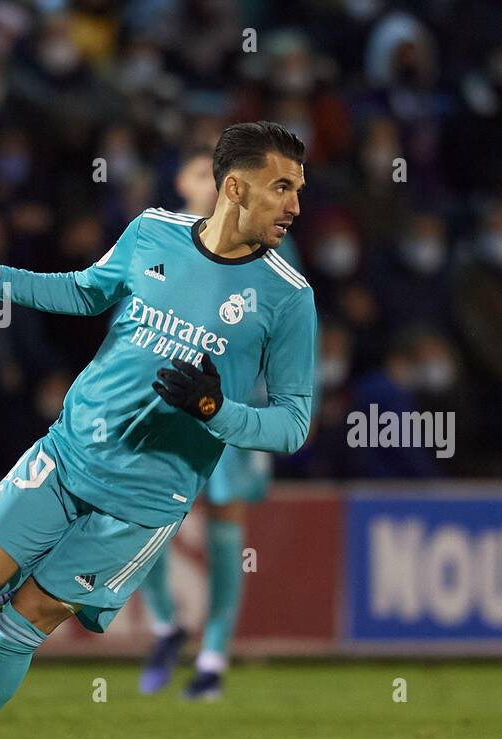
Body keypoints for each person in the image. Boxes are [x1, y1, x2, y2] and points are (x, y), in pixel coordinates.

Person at [0, 122, 317, 739]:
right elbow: (84, 291)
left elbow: (295, 422)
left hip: (143, 500)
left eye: (299, 190)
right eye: (283, 187)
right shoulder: (153, 232)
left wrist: (220, 412)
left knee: (24, 626)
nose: (296, 206)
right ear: (235, 187)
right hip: (69, 452)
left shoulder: (288, 295)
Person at [137, 145, 303, 700]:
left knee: (225, 532)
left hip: (234, 413)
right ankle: (165, 625)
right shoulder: (163, 240)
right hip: (168, 409)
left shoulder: (276, 249)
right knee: (142, 516)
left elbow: (293, 340)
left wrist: (278, 411)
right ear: (186, 182)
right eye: (195, 169)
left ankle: (212, 656)